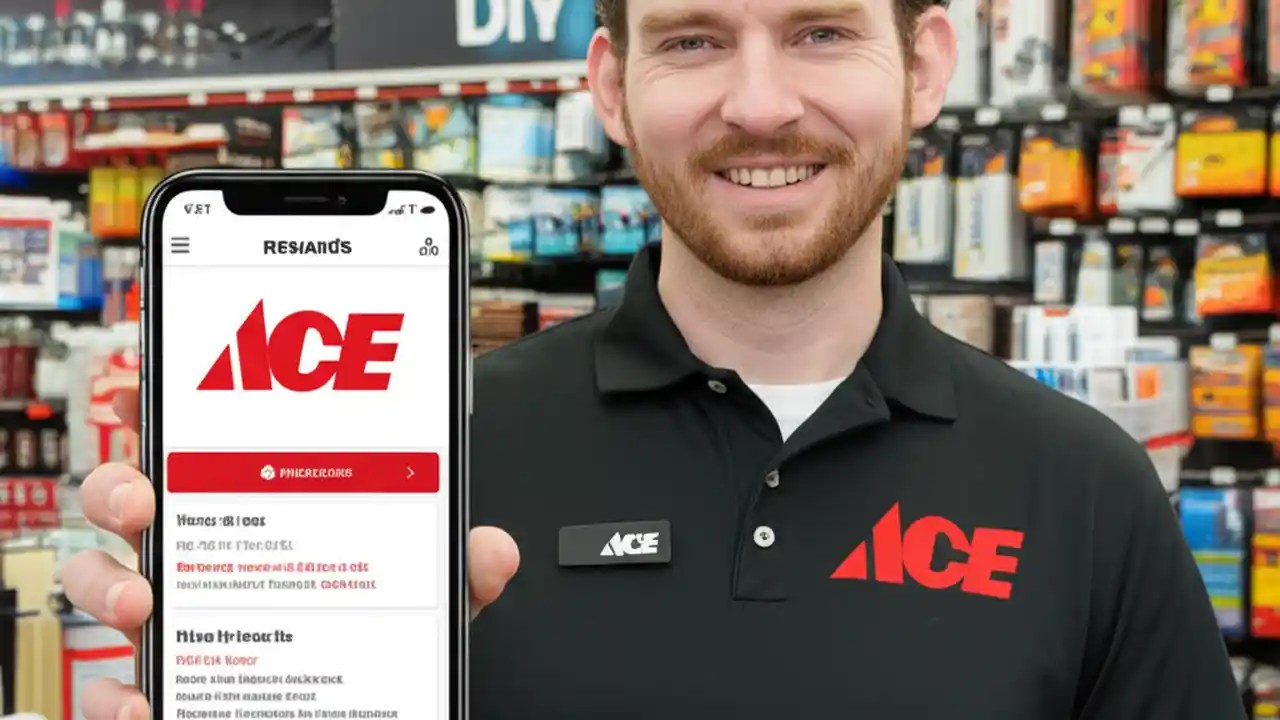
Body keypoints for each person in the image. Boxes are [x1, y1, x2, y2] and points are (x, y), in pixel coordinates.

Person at [65, 0, 1245, 717]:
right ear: (611, 87)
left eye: (820, 32)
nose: (760, 103)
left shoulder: (1085, 489)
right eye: (692, 40)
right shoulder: (437, 451)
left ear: (925, 65)